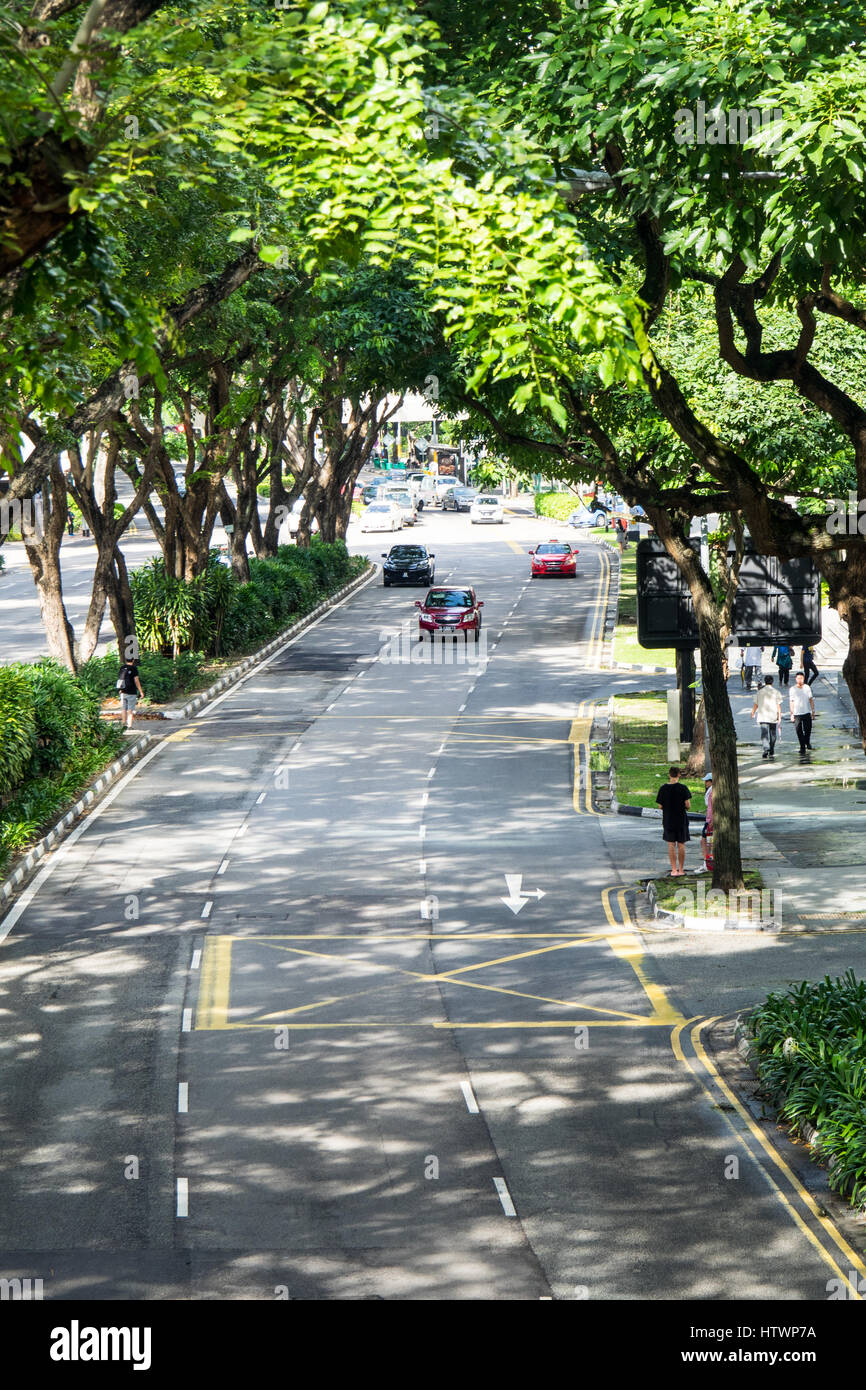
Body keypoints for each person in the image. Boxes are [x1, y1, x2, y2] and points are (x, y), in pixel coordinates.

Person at [655, 766, 692, 876]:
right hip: (681, 819)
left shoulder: (663, 788)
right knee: (681, 845)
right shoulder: (683, 788)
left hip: (668, 820)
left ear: (669, 775)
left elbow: (660, 806)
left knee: (671, 845)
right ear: (679, 775)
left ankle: (673, 870)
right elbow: (688, 805)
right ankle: (681, 870)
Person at [752, 675, 782, 759]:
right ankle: (771, 749)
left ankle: (766, 748)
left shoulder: (759, 692)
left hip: (763, 715)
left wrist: (753, 713)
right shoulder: (776, 692)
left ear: (765, 682)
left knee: (764, 733)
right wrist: (779, 716)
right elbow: (778, 706)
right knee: (773, 733)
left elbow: (756, 704)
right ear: (772, 682)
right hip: (773, 715)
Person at [789, 672, 816, 753]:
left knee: (808, 730)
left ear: (804, 679)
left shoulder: (807, 688)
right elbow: (791, 701)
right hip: (797, 713)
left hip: (806, 712)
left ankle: (807, 742)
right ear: (796, 679)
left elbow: (811, 699)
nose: (800, 680)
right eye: (798, 678)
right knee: (799, 731)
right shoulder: (792, 689)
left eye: (801, 678)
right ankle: (802, 746)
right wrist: (791, 714)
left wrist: (813, 711)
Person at [116, 657, 144, 730]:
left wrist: (120, 689)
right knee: (130, 709)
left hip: (123, 691)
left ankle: (124, 724)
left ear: (125, 660)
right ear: (133, 660)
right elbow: (136, 680)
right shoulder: (134, 668)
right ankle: (129, 726)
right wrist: (141, 691)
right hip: (131, 692)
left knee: (124, 709)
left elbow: (120, 679)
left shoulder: (122, 668)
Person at [699, 772, 713, 868]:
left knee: (706, 841)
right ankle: (707, 861)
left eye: (707, 781)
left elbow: (713, 808)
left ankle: (707, 862)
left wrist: (712, 822)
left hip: (710, 821)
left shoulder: (712, 792)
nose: (705, 783)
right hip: (709, 819)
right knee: (706, 841)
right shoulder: (710, 792)